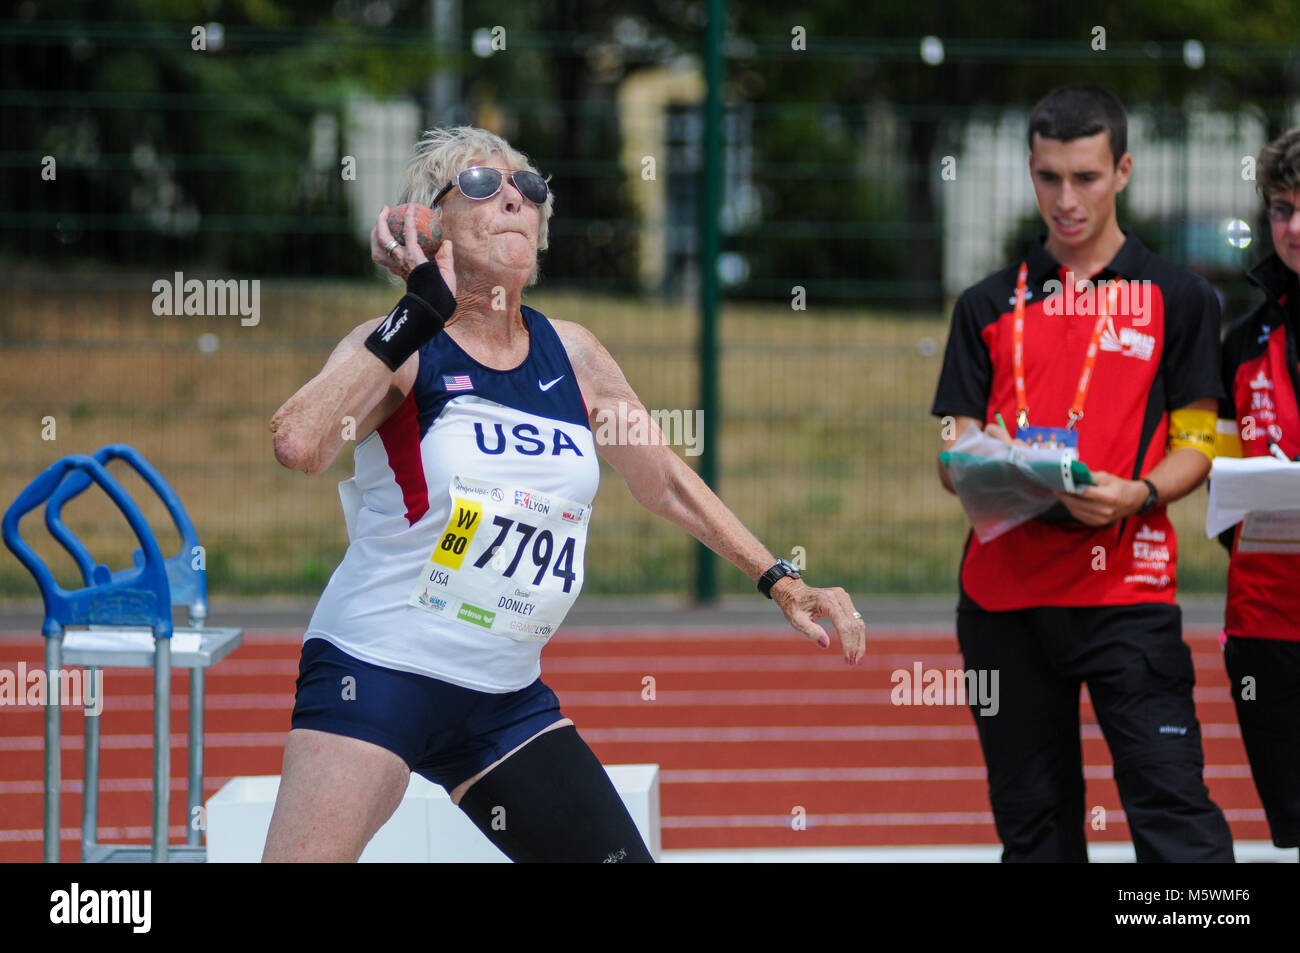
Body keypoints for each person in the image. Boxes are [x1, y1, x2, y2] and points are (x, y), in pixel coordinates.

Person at [262, 126, 867, 862]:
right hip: (378, 670)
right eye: (483, 186)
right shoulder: (402, 345)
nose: (514, 197)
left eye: (530, 188)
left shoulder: (572, 354)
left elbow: (664, 481)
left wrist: (779, 578)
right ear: (433, 223)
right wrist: (417, 309)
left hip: (503, 698)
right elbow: (300, 443)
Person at [931, 85, 1233, 862]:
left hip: (1124, 591)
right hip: (1004, 600)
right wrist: (977, 460)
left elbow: (1199, 437)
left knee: (1175, 816)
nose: (1066, 200)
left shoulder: (1181, 297)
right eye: (1048, 177)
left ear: (1123, 170)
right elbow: (953, 442)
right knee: (1035, 832)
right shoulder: (986, 304)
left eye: (1086, 178)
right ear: (1031, 172)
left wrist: (1141, 492)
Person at [1214, 127, 1300, 857]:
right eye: (1281, 207)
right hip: (1268, 622)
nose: (1294, 226)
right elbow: (1215, 468)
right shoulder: (1243, 337)